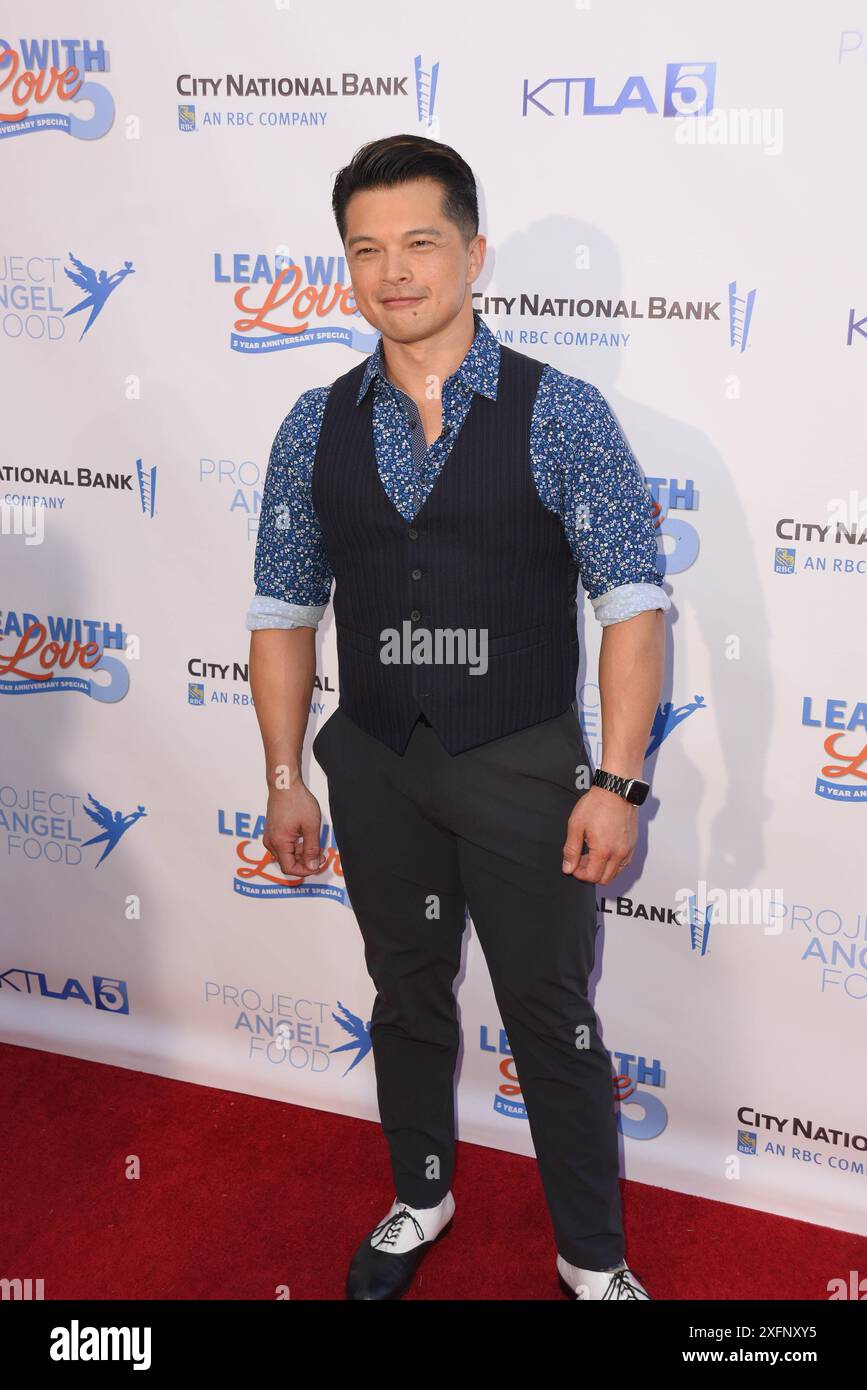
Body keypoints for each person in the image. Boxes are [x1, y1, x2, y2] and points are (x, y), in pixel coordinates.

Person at [246, 133, 670, 1301]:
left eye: (420, 242)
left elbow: (634, 607)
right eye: (366, 248)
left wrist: (619, 779)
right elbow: (281, 615)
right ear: (347, 266)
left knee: (552, 1019)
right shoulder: (311, 424)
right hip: (377, 765)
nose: (394, 270)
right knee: (407, 992)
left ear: (474, 253)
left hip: (526, 765)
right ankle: (420, 1193)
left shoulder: (560, 411)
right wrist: (286, 777)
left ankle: (593, 1258)